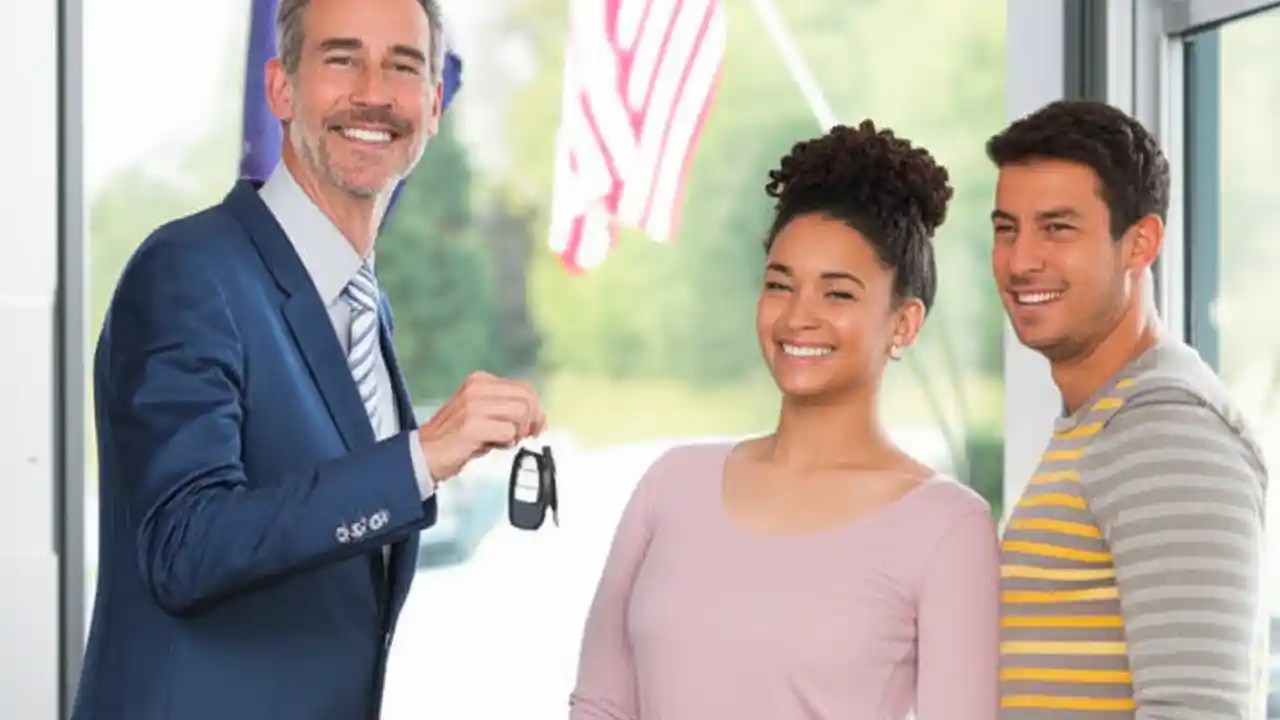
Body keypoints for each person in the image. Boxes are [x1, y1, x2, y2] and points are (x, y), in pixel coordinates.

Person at [71, 1, 545, 718]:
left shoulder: (363, 306)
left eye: (403, 66)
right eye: (342, 58)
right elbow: (183, 546)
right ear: (281, 88)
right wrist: (419, 458)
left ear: (435, 103)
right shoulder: (190, 272)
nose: (375, 92)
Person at [568, 120, 1001, 720]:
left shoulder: (947, 528)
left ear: (904, 324)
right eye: (779, 284)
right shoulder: (672, 485)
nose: (799, 316)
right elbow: (600, 706)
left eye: (838, 293)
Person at [988, 99, 1269, 718]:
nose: (1021, 260)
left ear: (1140, 243)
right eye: (1007, 228)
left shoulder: (1168, 428)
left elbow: (1195, 710)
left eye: (1057, 228)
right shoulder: (1105, 422)